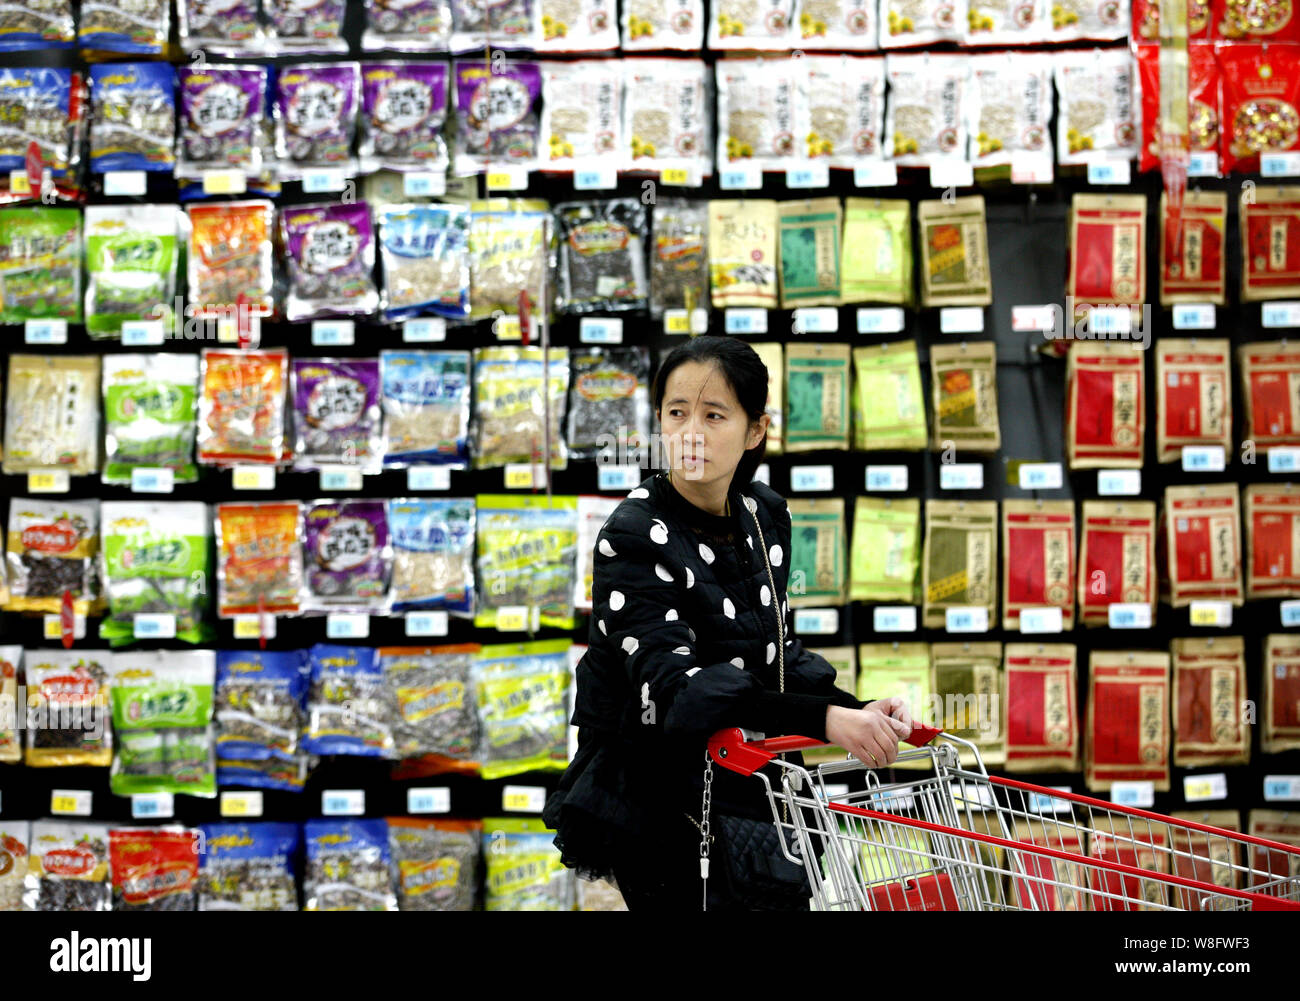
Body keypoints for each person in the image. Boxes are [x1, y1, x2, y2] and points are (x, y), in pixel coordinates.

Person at [543, 335, 913, 911]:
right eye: (676, 412)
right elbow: (682, 691)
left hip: (752, 787)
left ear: (755, 431)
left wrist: (857, 707)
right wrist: (824, 719)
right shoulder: (632, 535)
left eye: (715, 415)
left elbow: (774, 655)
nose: (691, 432)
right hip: (662, 804)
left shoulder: (765, 514)